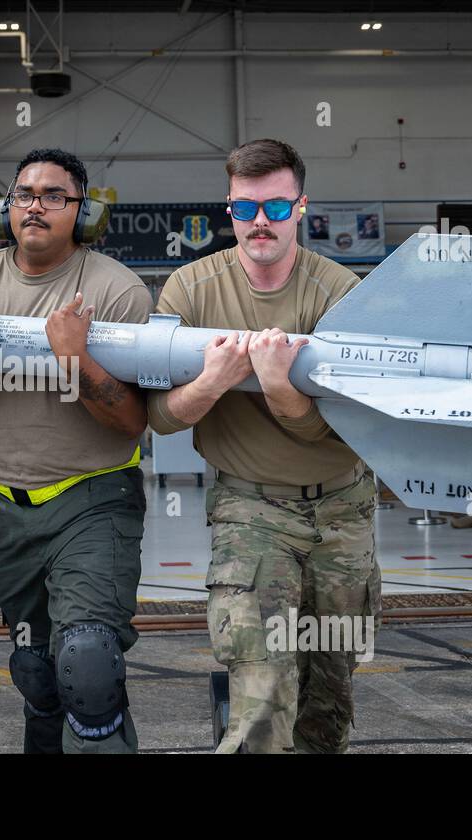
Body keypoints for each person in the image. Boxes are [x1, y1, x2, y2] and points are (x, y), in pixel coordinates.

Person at [147, 138, 379, 754]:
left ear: (301, 208)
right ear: (229, 210)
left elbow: (342, 430)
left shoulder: (342, 292)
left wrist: (279, 390)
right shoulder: (190, 291)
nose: (259, 223)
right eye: (244, 209)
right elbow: (161, 418)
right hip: (250, 511)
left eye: (276, 209)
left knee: (329, 694)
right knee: (263, 690)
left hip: (342, 511)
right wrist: (212, 382)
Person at [0, 148, 152, 753]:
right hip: (1, 505)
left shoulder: (115, 290)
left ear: (85, 211)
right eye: (24, 194)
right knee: (37, 671)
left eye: (55, 197)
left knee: (89, 662)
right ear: (6, 207)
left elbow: (131, 422)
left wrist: (75, 355)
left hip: (93, 498)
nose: (37, 207)